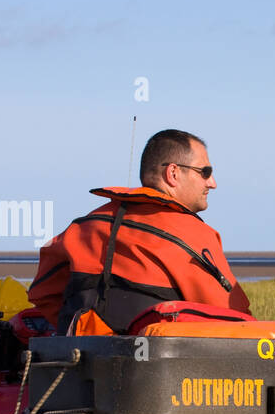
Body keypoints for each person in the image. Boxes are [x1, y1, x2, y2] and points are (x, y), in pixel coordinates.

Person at [29, 129, 251, 333]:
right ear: (173, 173)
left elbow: (42, 293)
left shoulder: (82, 227)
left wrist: (85, 333)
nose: (212, 183)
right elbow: (237, 320)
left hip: (75, 365)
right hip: (157, 370)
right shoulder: (193, 234)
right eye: (205, 171)